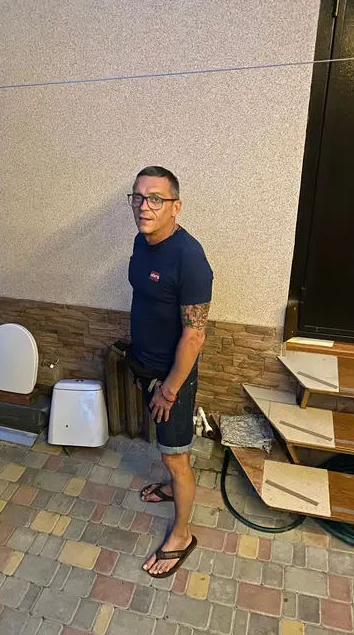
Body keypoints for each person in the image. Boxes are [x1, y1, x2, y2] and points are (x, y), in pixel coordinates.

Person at [127, 166, 213, 578]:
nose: (144, 207)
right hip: (147, 367)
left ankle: (182, 534)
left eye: (156, 199)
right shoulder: (142, 242)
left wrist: (170, 389)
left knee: (176, 457)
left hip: (172, 379)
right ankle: (170, 487)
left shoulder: (189, 258)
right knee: (166, 449)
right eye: (138, 197)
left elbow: (194, 335)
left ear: (176, 206)